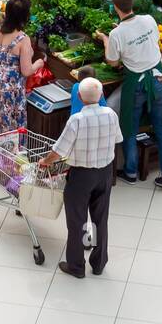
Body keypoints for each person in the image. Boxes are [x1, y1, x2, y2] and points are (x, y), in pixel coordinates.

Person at [36, 76, 122, 278]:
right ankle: (99, 262)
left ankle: (76, 266)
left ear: (80, 98)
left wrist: (45, 162)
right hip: (105, 173)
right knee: (101, 219)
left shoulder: (76, 120)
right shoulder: (111, 114)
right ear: (101, 95)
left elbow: (59, 150)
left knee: (77, 221)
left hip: (82, 176)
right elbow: (118, 139)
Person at [99, 0, 162, 189]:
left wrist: (106, 40)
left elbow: (112, 62)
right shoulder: (148, 19)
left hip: (136, 83)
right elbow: (153, 41)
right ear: (133, 4)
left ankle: (130, 172)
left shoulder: (116, 33)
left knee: (129, 127)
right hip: (157, 78)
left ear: (115, 8)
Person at [0, 0, 44, 135]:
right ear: (25, 16)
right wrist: (38, 64)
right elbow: (26, 71)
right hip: (10, 88)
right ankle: (11, 154)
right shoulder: (23, 39)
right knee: (12, 124)